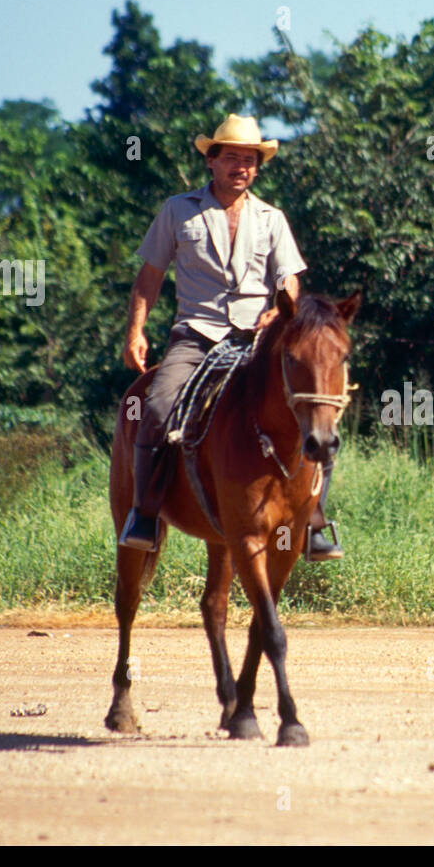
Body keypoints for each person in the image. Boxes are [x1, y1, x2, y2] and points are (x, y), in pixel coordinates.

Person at [118, 113, 342, 561]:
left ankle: (315, 517)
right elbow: (149, 277)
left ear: (258, 168)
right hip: (196, 336)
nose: (242, 166)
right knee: (159, 406)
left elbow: (290, 280)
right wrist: (136, 331)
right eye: (233, 157)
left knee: (316, 407)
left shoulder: (272, 219)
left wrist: (279, 311)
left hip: (256, 341)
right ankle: (145, 512)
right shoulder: (178, 210)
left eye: (251, 160)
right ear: (212, 161)